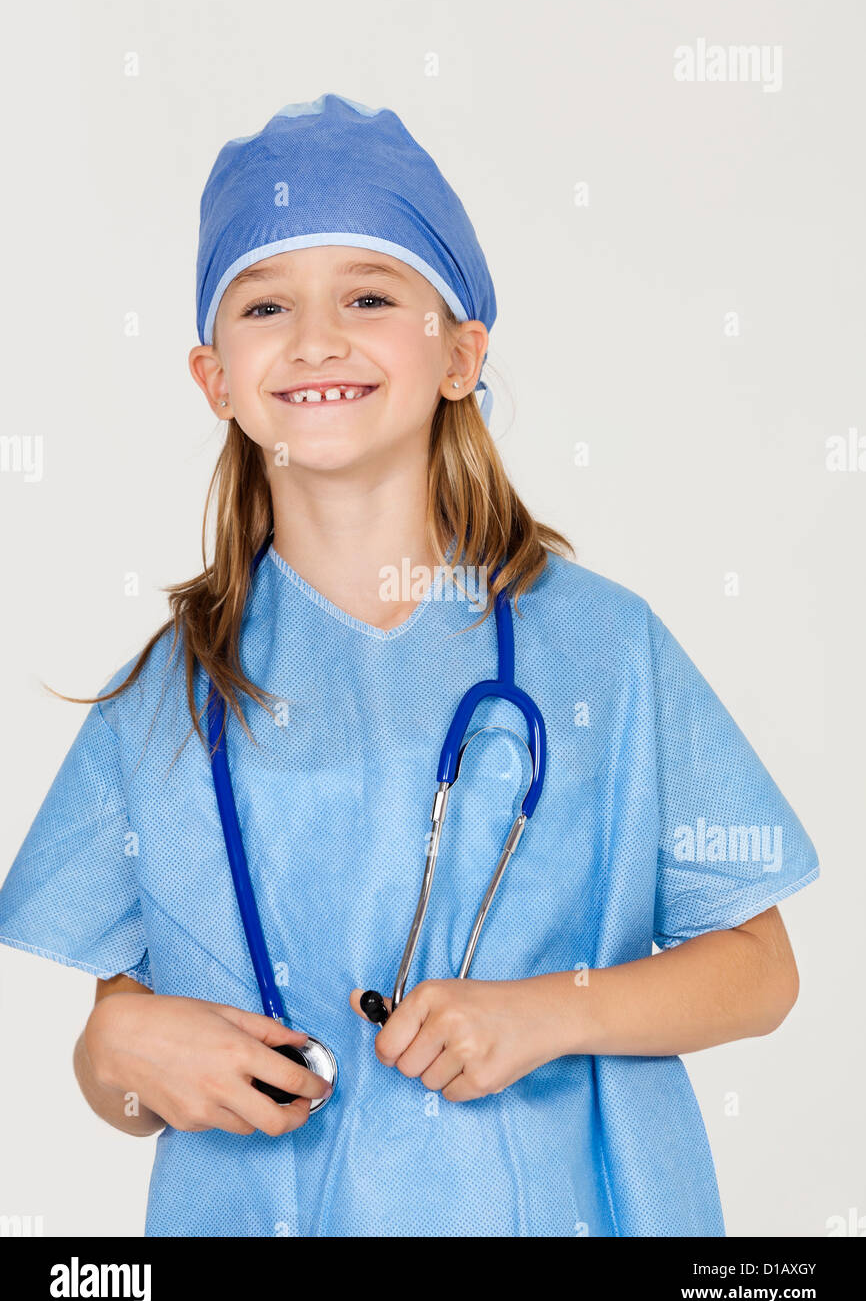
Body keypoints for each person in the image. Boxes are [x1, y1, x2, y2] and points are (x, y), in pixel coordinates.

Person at [0, 93, 819, 1237]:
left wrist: (549, 1014)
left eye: (370, 297)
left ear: (459, 355)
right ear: (213, 380)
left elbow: (759, 970)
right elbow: (127, 1071)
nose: (316, 338)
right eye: (266, 305)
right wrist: (109, 1050)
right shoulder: (169, 699)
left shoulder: (599, 646)